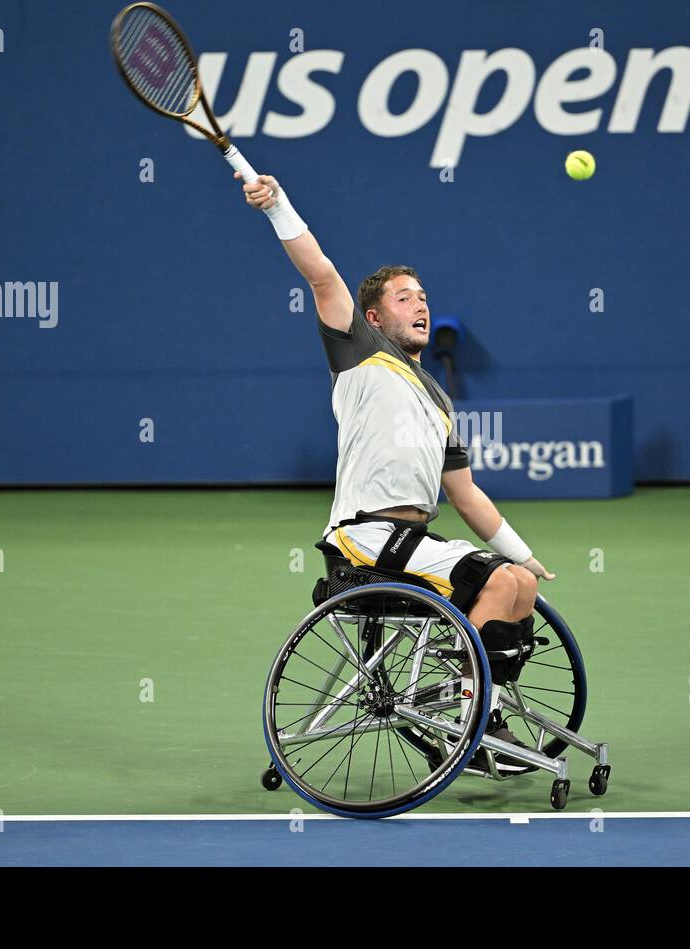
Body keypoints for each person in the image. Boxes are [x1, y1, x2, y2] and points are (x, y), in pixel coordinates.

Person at [237, 169, 555, 759]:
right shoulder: (359, 354)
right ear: (375, 318)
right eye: (405, 297)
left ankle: (478, 705)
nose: (421, 304)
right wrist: (277, 204)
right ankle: (472, 716)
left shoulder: (438, 399)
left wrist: (523, 550)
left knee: (521, 582)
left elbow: (467, 496)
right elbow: (321, 273)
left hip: (411, 542)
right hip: (362, 540)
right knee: (490, 577)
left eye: (425, 296)